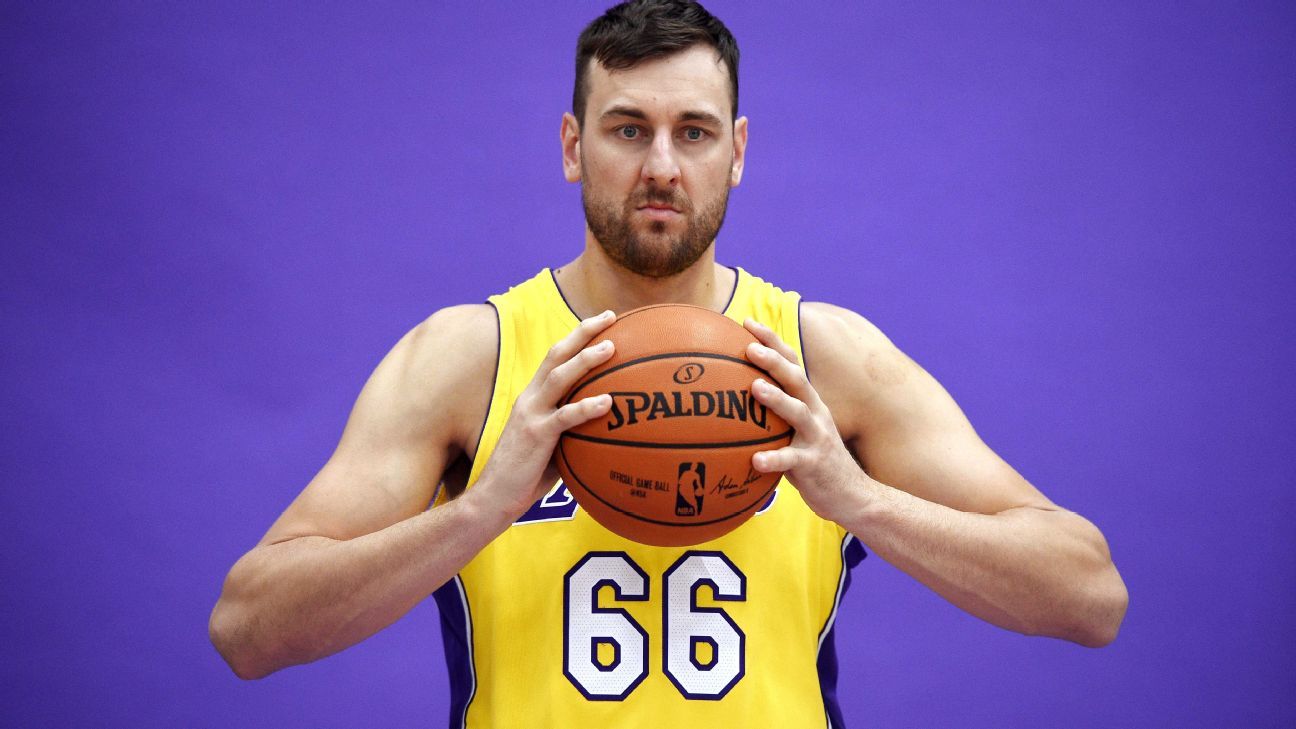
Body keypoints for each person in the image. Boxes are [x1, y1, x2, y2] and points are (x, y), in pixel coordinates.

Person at [209, 1, 1128, 726]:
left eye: (694, 131)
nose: (661, 165)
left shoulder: (821, 358)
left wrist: (863, 502)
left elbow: (1089, 596)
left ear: (738, 152)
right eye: (626, 129)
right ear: (573, 147)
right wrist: (481, 510)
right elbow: (248, 629)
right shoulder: (470, 359)